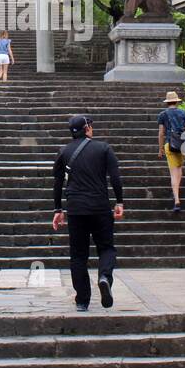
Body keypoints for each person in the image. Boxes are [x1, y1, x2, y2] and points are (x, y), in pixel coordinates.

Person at [52, 114, 124, 311]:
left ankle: (82, 300)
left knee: (78, 255)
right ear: (87, 128)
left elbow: (57, 183)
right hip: (100, 206)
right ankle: (104, 277)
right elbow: (115, 177)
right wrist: (119, 202)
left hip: (75, 208)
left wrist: (58, 209)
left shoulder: (64, 151)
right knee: (107, 248)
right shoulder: (103, 148)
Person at [157, 91, 185, 213]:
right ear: (177, 101)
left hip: (170, 144)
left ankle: (177, 200)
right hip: (182, 144)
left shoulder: (163, 114)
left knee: (173, 172)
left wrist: (160, 148)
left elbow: (161, 133)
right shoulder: (183, 113)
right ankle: (176, 191)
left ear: (167, 102)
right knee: (179, 168)